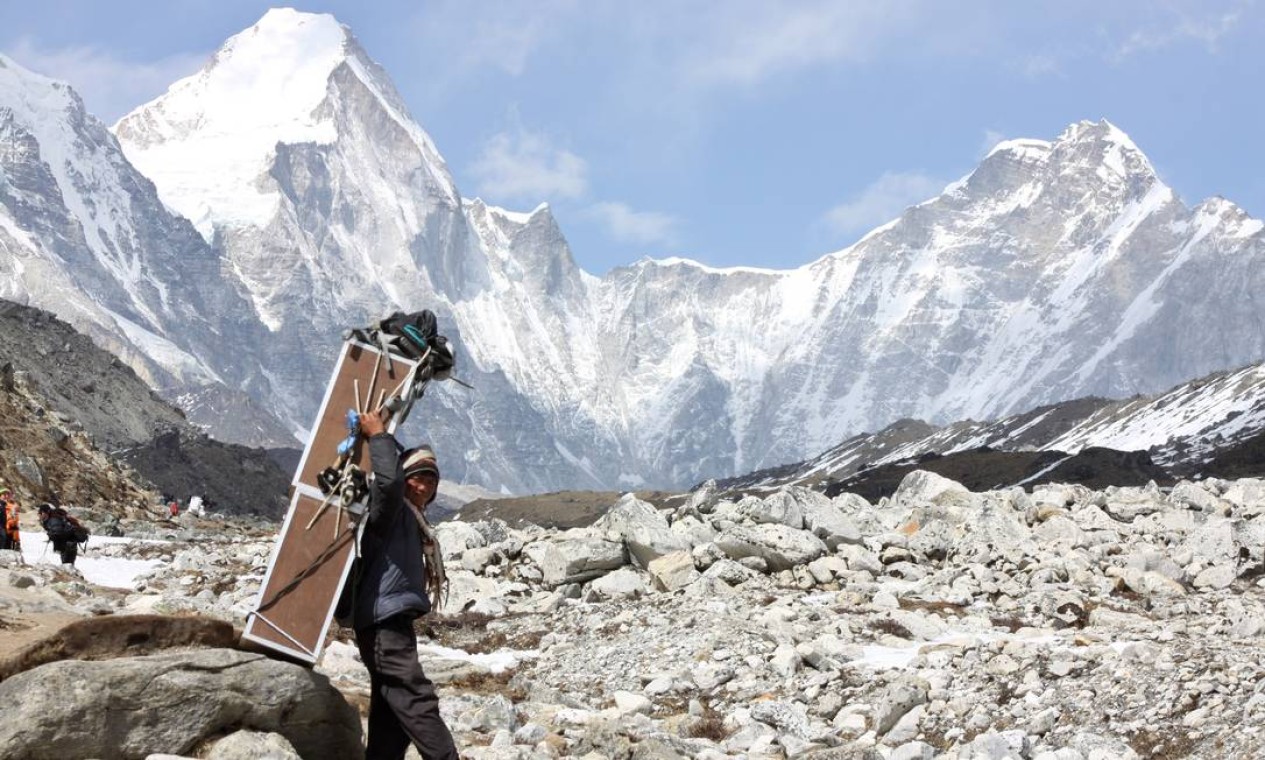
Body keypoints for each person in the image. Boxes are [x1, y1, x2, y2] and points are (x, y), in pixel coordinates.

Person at [350, 409, 457, 760]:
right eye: (417, 478)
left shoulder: (414, 520)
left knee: (391, 712)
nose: (423, 486)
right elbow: (388, 483)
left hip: (394, 620)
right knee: (415, 697)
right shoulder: (390, 512)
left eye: (431, 481)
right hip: (382, 621)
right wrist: (379, 435)